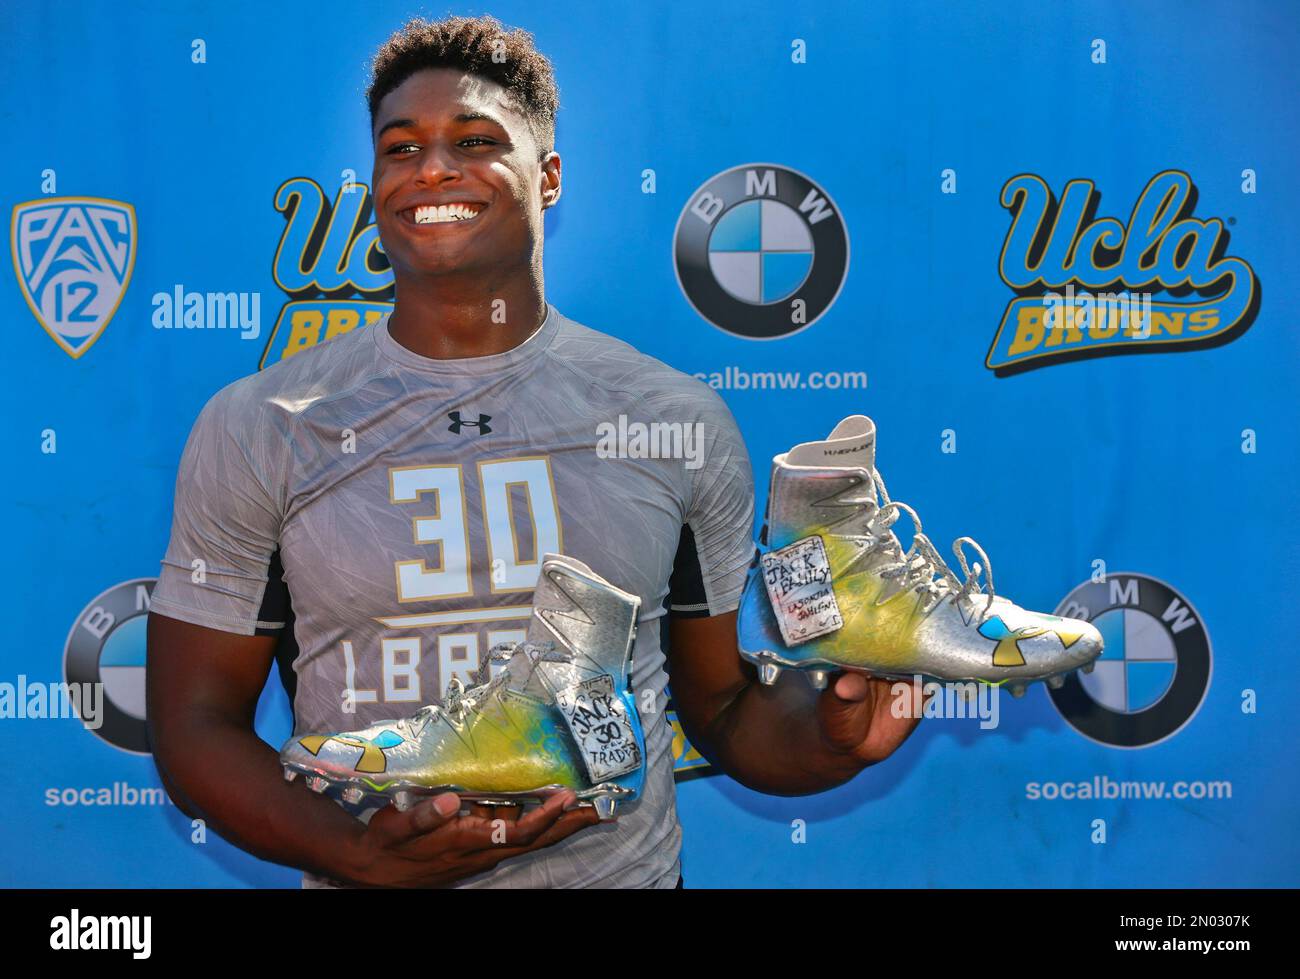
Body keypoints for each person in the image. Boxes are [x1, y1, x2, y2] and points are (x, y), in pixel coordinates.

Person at [146, 14, 921, 889]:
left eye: (475, 140)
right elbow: (194, 724)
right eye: (400, 149)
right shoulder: (266, 423)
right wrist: (355, 849)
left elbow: (723, 707)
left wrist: (830, 737)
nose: (433, 168)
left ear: (548, 177)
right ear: (374, 187)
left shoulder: (672, 419)